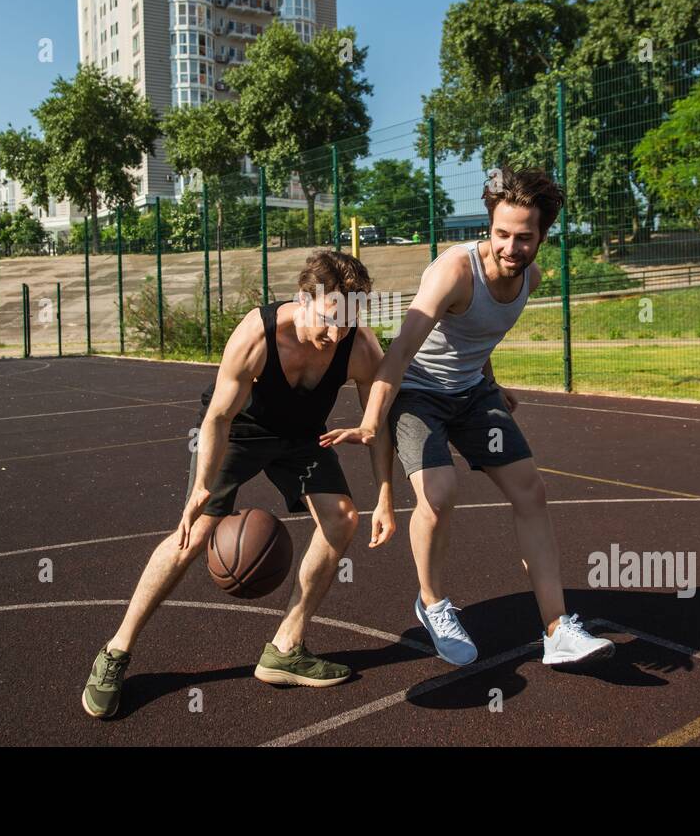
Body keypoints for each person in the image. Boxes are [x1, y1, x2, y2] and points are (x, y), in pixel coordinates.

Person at [82, 251, 397, 718]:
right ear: (302, 300)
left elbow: (378, 425)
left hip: (301, 436)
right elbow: (219, 417)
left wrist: (387, 495)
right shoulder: (258, 334)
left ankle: (286, 647)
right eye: (329, 321)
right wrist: (201, 489)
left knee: (343, 517)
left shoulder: (360, 346)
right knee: (194, 534)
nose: (337, 335)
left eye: (348, 324)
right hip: (241, 431)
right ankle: (116, 650)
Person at [321, 169, 614, 668]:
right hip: (417, 393)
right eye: (501, 234)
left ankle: (557, 629)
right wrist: (373, 421)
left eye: (524, 237)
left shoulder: (531, 279)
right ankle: (432, 604)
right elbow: (398, 355)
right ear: (489, 227)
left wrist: (491, 383)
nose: (511, 247)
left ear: (543, 236)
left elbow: (480, 336)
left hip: (473, 395)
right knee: (439, 494)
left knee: (531, 490)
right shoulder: (453, 272)